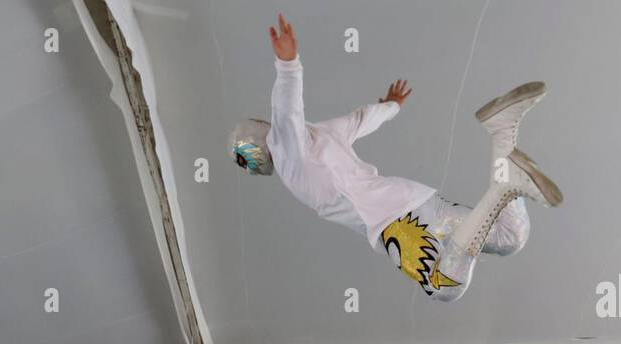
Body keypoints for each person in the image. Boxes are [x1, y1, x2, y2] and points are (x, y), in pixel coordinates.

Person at [234, 15, 560, 302]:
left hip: (396, 222)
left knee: (444, 287)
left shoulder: (289, 159)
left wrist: (288, 66)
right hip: (416, 199)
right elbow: (359, 119)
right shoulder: (320, 135)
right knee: (510, 237)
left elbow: (287, 113)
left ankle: (505, 187)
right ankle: (502, 132)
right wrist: (391, 107)